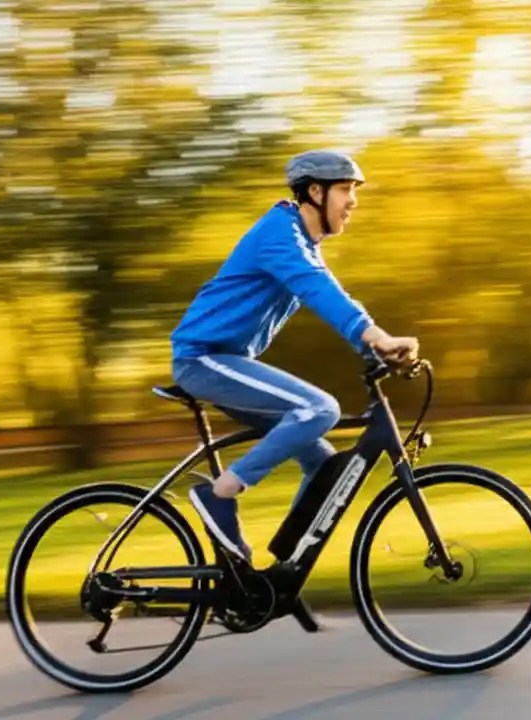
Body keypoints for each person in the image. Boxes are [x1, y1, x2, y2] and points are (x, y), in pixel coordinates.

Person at [168, 149, 418, 560]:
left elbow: (331, 294)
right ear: (314, 192)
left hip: (231, 363)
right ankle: (221, 493)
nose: (352, 200)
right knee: (320, 409)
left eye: (353, 190)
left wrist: (371, 347)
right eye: (344, 189)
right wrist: (374, 335)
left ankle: (283, 570)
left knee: (323, 465)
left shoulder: (301, 241)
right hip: (202, 359)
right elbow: (318, 289)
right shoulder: (279, 233)